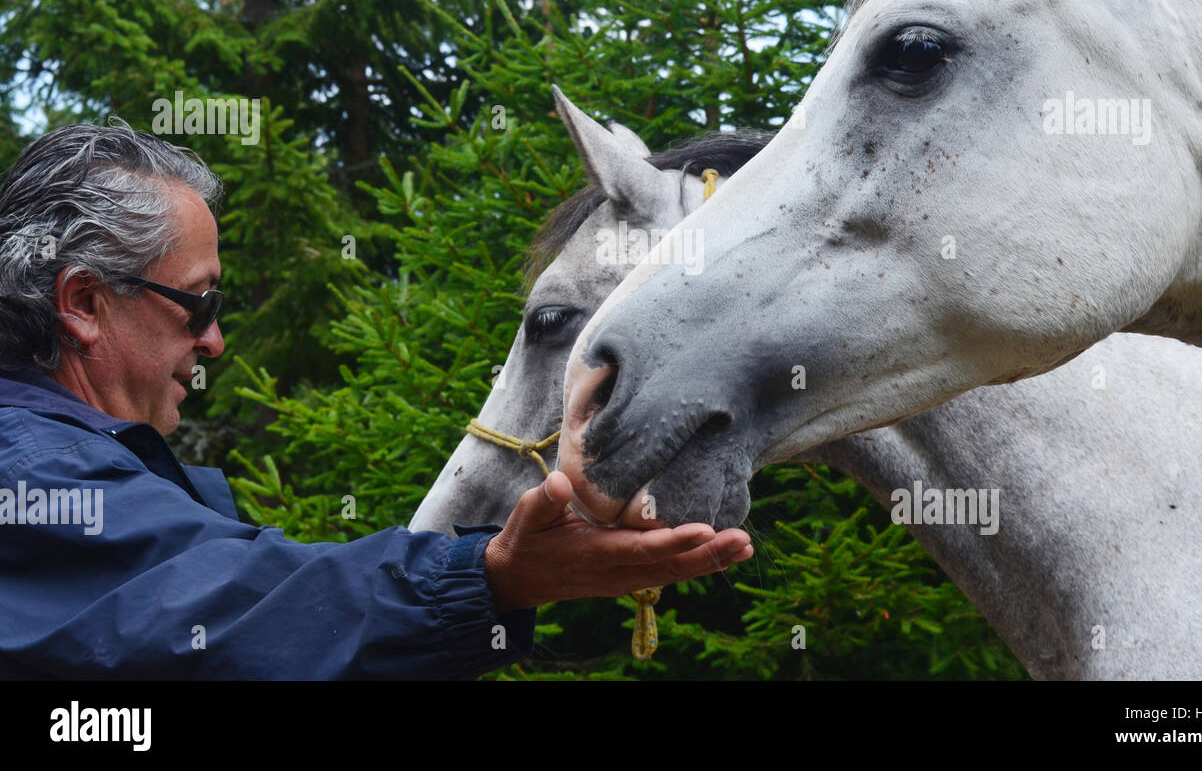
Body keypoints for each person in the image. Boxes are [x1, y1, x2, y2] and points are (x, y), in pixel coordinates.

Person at [0, 123, 752, 679]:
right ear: (85, 303)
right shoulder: (29, 475)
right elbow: (223, 618)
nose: (216, 342)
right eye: (198, 303)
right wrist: (491, 578)